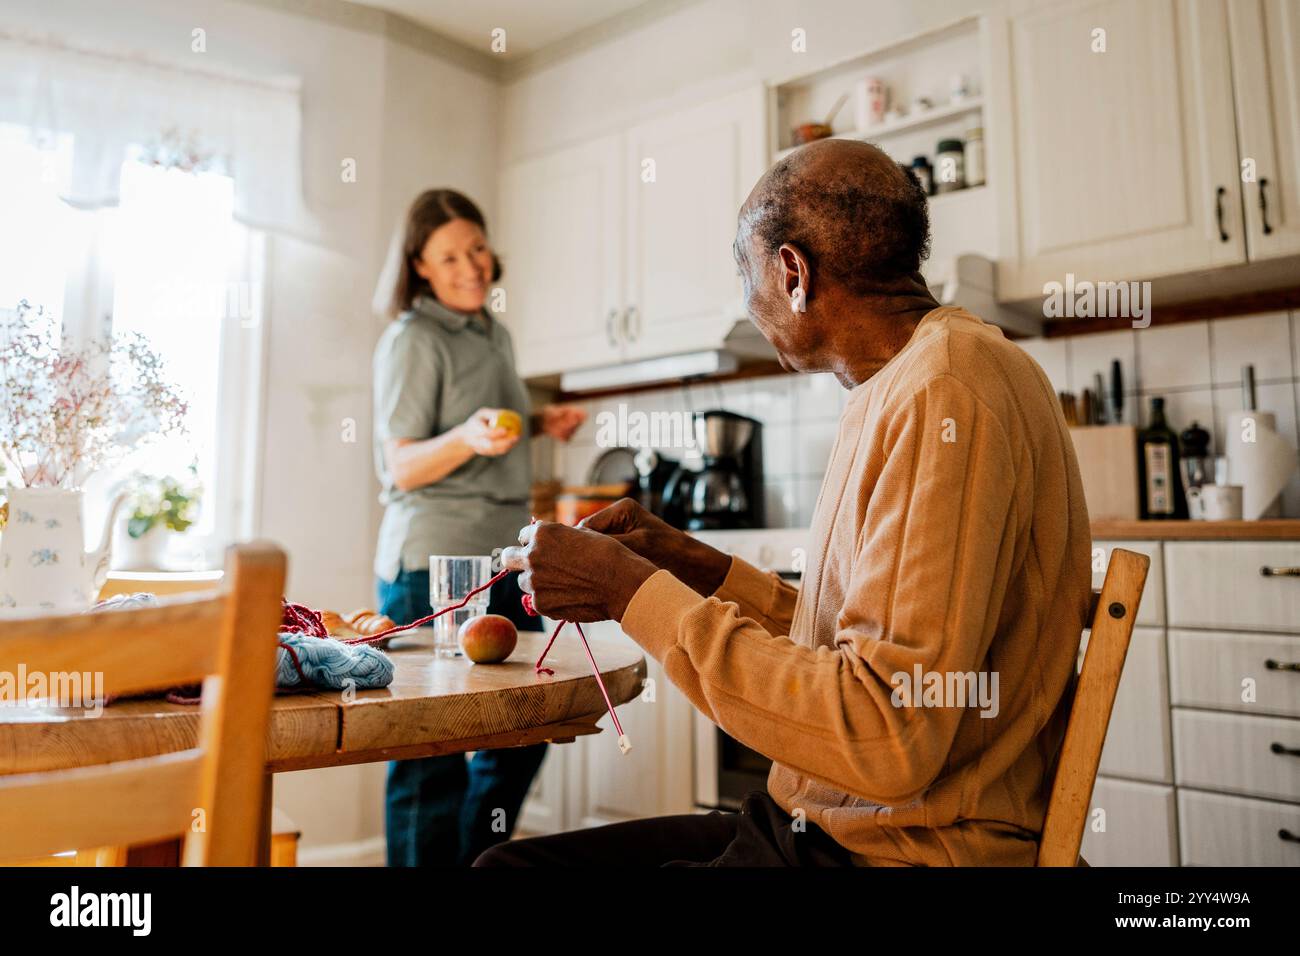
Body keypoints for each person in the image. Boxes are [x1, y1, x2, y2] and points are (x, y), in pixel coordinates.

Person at [484, 140, 1092, 867]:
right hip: (822, 824)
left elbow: (884, 734)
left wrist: (628, 590)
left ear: (793, 273)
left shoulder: (943, 391)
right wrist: (691, 564)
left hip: (893, 851)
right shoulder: (914, 380)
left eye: (747, 274)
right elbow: (852, 652)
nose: (749, 302)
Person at [371, 188, 585, 866]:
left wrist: (539, 423)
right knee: (428, 756)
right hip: (431, 569)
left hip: (505, 562)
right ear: (420, 267)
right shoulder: (413, 338)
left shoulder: (495, 331)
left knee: (520, 730)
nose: (470, 266)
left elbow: (489, 420)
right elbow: (401, 464)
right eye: (449, 256)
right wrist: (466, 435)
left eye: (477, 247)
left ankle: (477, 865)